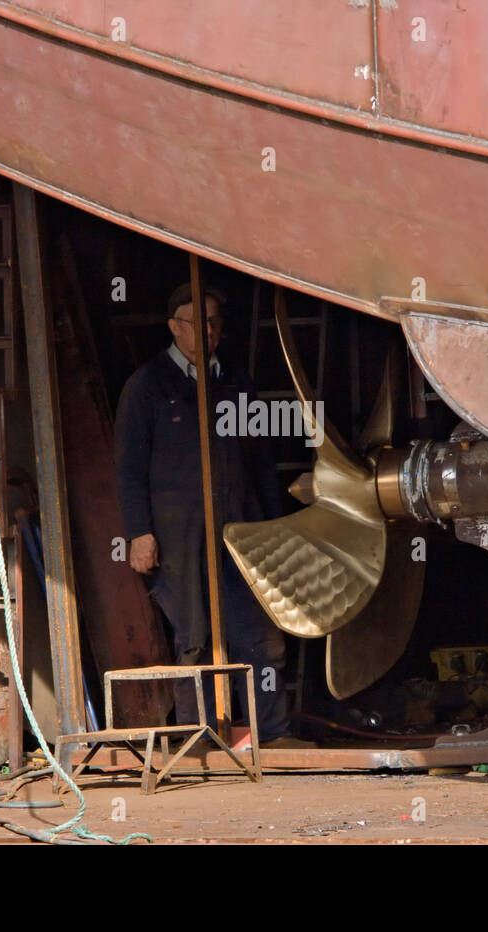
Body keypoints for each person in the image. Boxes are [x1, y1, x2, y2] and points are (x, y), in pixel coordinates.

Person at [114, 282, 295, 744]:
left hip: (241, 529)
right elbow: (129, 468)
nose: (208, 331)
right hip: (177, 535)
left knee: (259, 634)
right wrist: (139, 532)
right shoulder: (147, 386)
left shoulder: (235, 381)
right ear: (174, 327)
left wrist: (274, 529)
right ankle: (200, 741)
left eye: (215, 322)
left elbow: (261, 462)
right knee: (193, 637)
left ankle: (271, 735)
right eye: (197, 322)